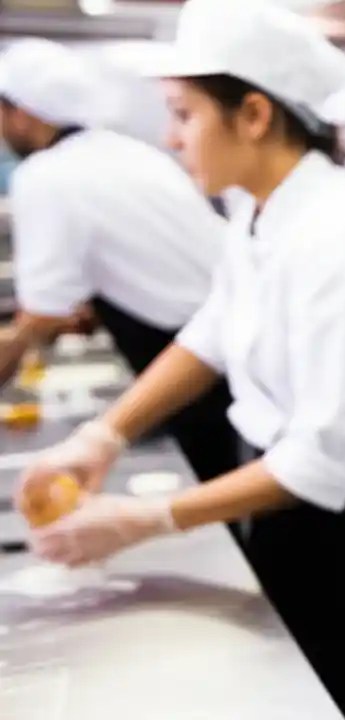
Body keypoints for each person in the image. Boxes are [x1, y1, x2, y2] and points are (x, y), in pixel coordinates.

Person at [16, 1, 345, 718]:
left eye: (184, 115)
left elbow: (322, 461)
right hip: (302, 520)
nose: (171, 138)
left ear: (253, 115)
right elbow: (211, 334)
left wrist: (145, 520)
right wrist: (104, 434)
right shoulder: (262, 211)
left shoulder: (344, 239)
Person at [0, 38, 237, 483]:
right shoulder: (128, 152)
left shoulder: (46, 175)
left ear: (24, 112)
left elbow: (41, 316)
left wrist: (8, 357)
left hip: (190, 359)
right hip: (221, 350)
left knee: (201, 490)